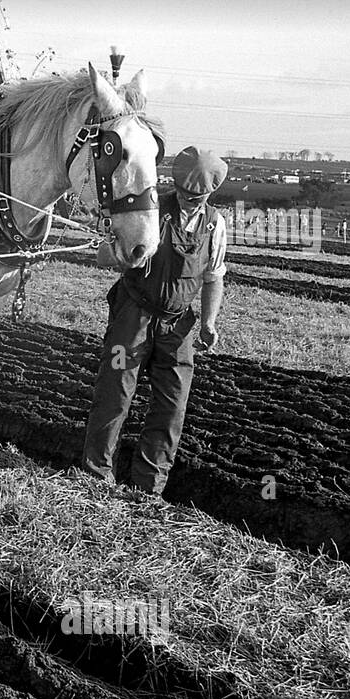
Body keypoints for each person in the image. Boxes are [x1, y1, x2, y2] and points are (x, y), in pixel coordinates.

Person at [81, 146, 229, 496]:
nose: (191, 201)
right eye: (185, 194)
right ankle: (96, 476)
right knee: (114, 393)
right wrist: (119, 251)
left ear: (211, 193)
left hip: (177, 327)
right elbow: (103, 257)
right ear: (175, 186)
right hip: (134, 317)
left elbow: (214, 276)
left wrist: (209, 322)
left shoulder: (215, 223)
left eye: (199, 196)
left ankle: (148, 489)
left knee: (172, 407)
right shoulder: (150, 210)